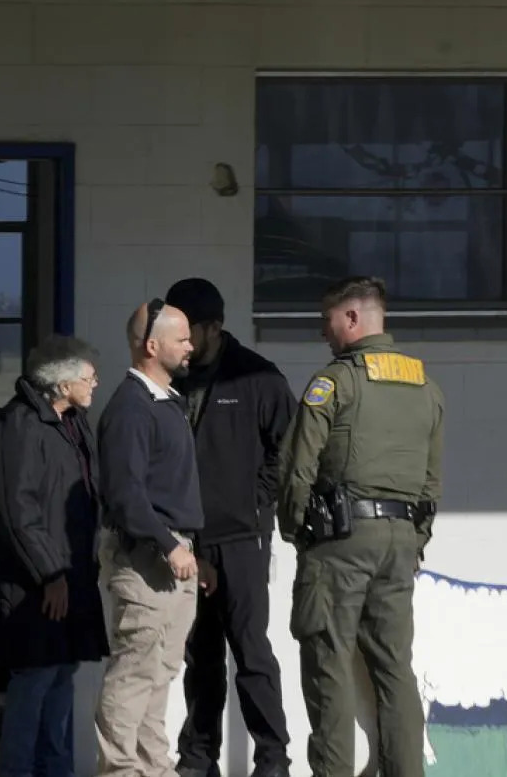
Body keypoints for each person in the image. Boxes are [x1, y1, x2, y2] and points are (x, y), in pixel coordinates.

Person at [276, 276, 444, 777]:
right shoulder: (426, 386)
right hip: (399, 543)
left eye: (327, 321)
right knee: (394, 671)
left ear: (352, 317)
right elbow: (432, 483)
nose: (323, 333)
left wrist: (295, 529)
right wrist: (416, 540)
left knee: (329, 667)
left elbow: (298, 465)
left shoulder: (336, 381)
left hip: (340, 541)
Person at [163, 278, 295, 777]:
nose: (181, 341)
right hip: (186, 543)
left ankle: (273, 759)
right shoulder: (171, 377)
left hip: (241, 540)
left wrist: (255, 504)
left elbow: (290, 451)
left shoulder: (257, 378)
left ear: (214, 327)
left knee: (251, 651)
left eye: (187, 331)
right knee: (200, 655)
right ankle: (198, 758)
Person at [0, 334, 110, 777]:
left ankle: (55, 770)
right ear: (63, 384)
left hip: (68, 574)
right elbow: (18, 509)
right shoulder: (21, 425)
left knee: (61, 676)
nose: (95, 383)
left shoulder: (71, 423)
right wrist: (51, 574)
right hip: (34, 584)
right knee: (35, 680)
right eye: (88, 376)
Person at [95, 299, 207, 777]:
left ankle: (153, 769)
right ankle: (121, 771)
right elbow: (124, 494)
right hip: (146, 562)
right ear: (151, 344)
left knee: (159, 675)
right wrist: (168, 544)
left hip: (173, 560)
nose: (191, 346)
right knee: (134, 674)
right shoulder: (131, 408)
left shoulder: (166, 404)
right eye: (182, 338)